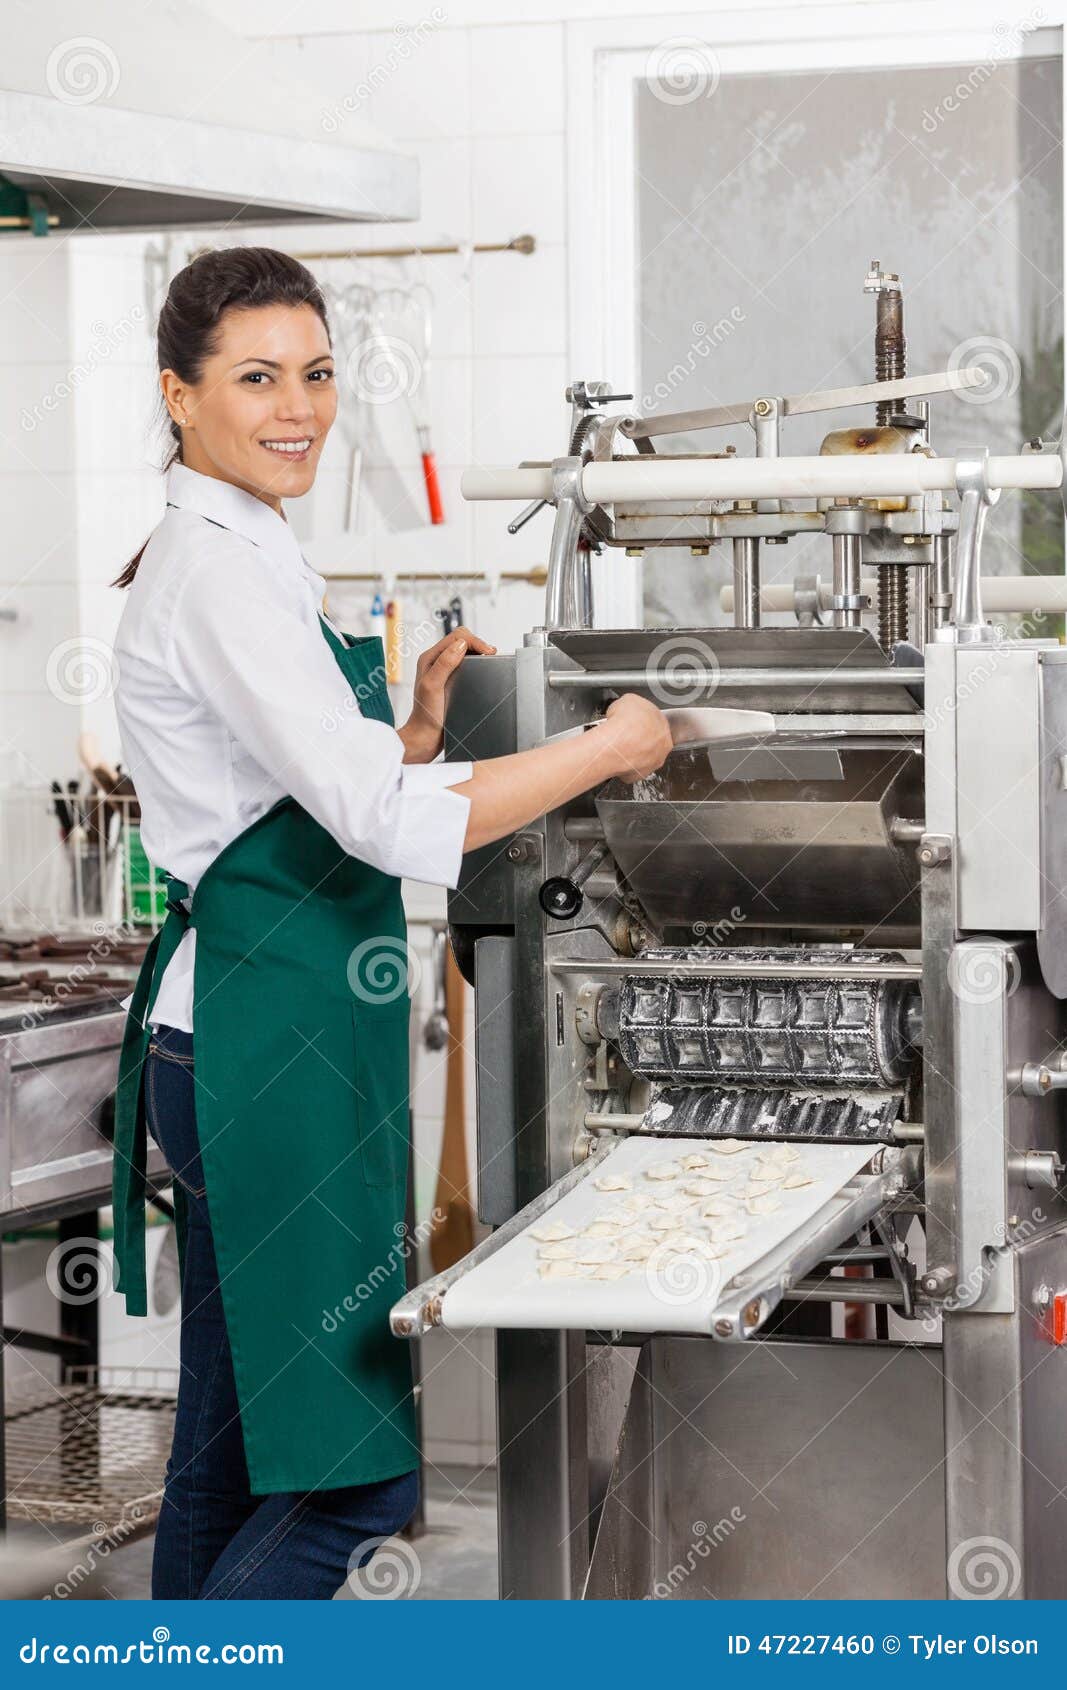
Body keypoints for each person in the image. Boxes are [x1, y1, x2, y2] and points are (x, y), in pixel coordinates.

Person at [109, 246, 672, 1600]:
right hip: (266, 1049)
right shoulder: (216, 571)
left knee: (233, 1454)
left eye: (315, 373)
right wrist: (609, 747)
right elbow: (381, 822)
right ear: (180, 396)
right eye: (256, 378)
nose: (297, 406)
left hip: (253, 1034)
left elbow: (307, 785)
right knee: (359, 1482)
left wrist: (416, 720)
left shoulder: (248, 545)